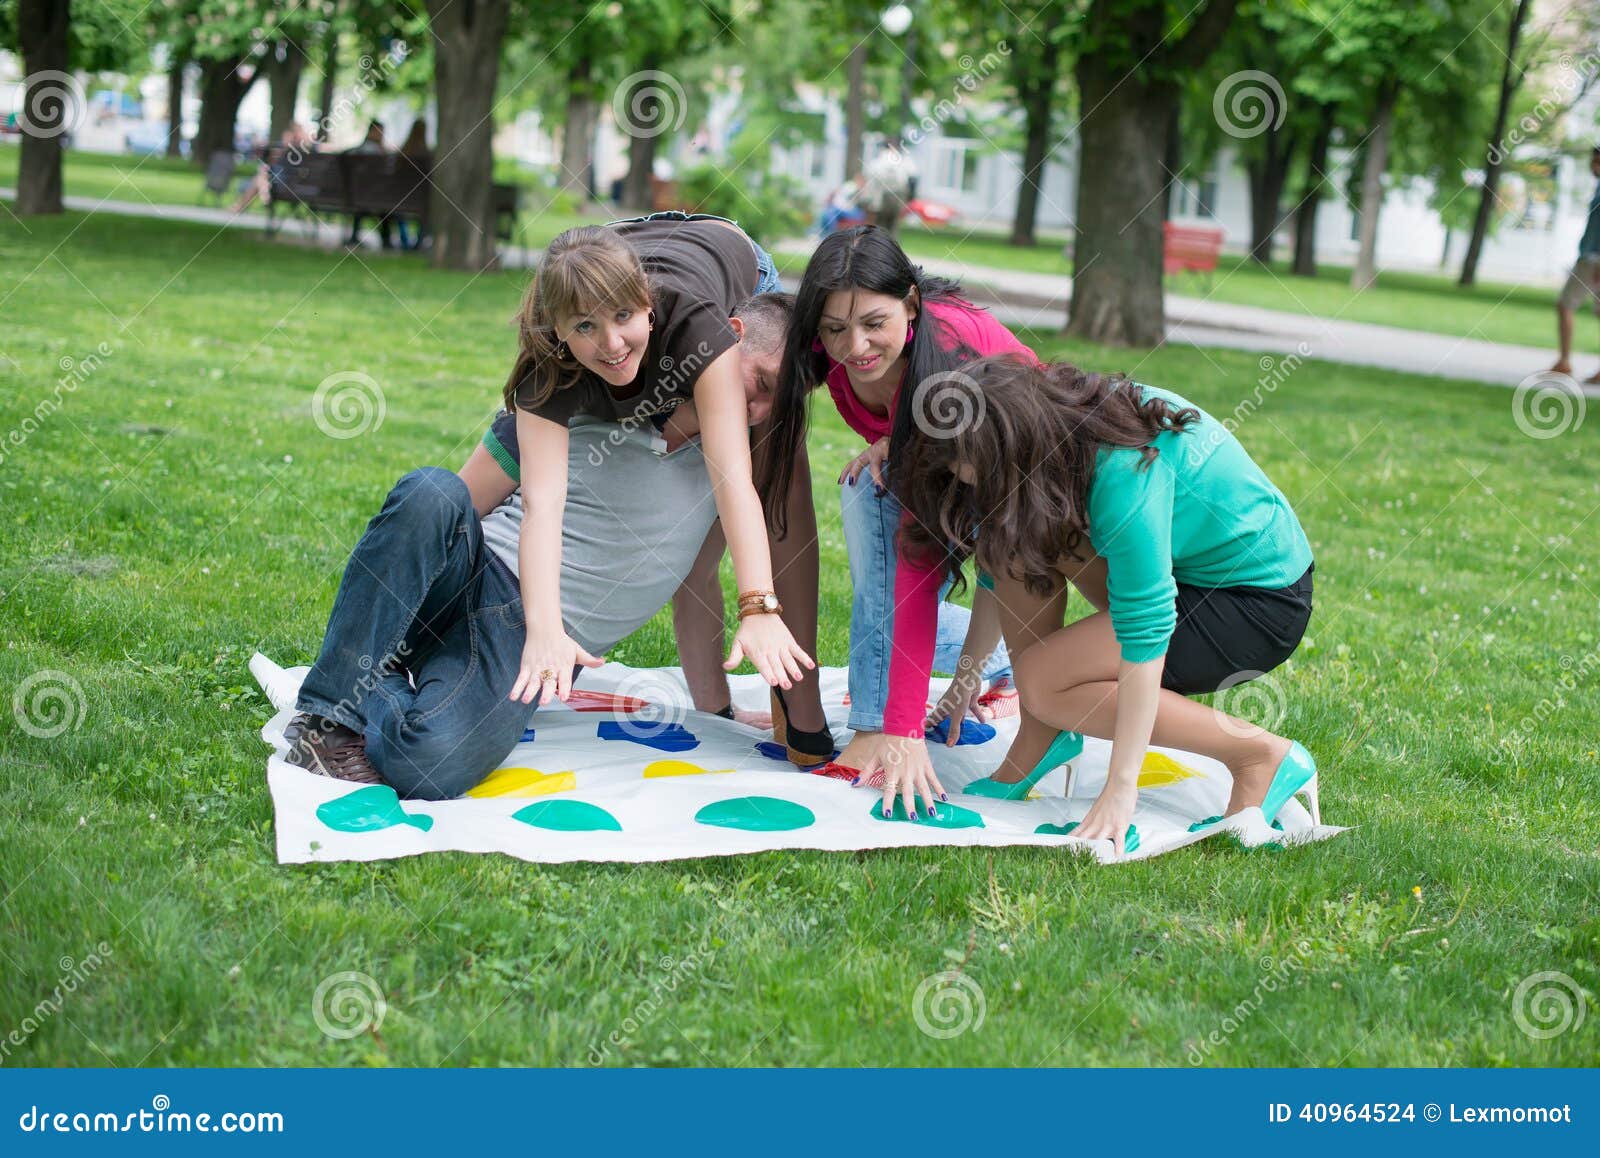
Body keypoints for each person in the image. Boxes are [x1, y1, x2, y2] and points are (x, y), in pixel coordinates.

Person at [282, 291, 828, 796]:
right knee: (432, 490)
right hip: (477, 571)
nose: (757, 413)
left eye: (776, 407)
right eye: (761, 385)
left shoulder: (727, 475)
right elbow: (451, 511)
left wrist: (719, 713)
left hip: (524, 648)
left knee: (426, 762)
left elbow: (697, 583)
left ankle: (376, 673)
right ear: (727, 340)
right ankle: (329, 716)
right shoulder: (601, 389)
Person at [885, 355, 1319, 853]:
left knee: (1045, 680)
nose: (965, 483)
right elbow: (997, 566)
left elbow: (1146, 629)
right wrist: (966, 679)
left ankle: (1258, 755)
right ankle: (1041, 730)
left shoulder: (1121, 472)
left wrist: (1120, 787)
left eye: (970, 472)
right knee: (1018, 538)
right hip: (1193, 579)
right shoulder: (1049, 436)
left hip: (1253, 605)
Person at [758, 225, 1031, 787]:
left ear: (911, 303)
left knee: (879, 518)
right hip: (928, 468)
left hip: (1015, 480)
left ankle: (877, 727)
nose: (854, 347)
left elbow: (1027, 431)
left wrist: (908, 439)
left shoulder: (954, 347)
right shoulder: (821, 353)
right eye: (834, 329)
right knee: (868, 496)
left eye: (873, 324)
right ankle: (999, 657)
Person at [1552, 146, 1600, 383]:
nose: (1594, 166)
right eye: (1593, 161)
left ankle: (1564, 362)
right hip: (1592, 257)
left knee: (1565, 305)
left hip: (1594, 259)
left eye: (1598, 161)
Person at [344, 119, 394, 250]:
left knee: (370, 201)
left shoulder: (356, 150)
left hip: (353, 196)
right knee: (386, 204)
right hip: (371, 196)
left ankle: (356, 236)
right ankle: (386, 240)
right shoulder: (376, 151)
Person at [395, 119, 432, 251]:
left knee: (399, 207)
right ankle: (419, 241)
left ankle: (404, 239)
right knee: (429, 207)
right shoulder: (428, 156)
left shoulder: (402, 153)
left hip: (401, 198)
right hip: (421, 200)